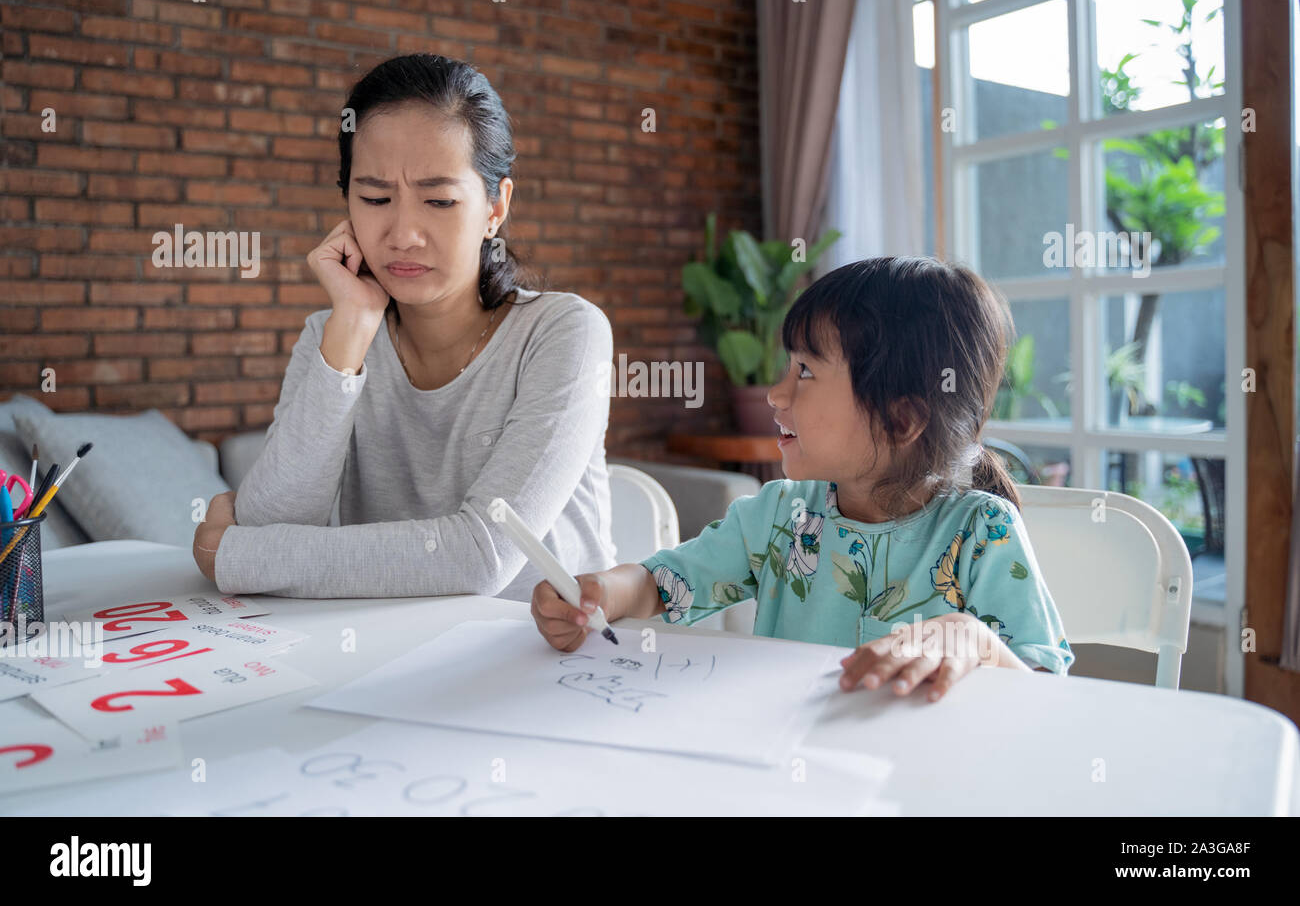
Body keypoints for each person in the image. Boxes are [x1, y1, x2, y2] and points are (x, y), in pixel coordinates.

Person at [531, 257, 1074, 702]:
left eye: (806, 372)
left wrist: (975, 640)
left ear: (902, 420)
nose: (775, 393)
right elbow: (661, 583)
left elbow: (1045, 695)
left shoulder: (984, 533)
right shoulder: (779, 517)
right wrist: (601, 593)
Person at [193, 54, 616, 600]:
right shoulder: (331, 335)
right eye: (374, 198)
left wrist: (230, 556)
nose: (403, 233)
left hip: (549, 667)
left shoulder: (564, 333)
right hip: (385, 659)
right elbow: (272, 519)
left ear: (495, 206)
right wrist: (352, 327)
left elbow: (479, 559)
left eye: (439, 200)